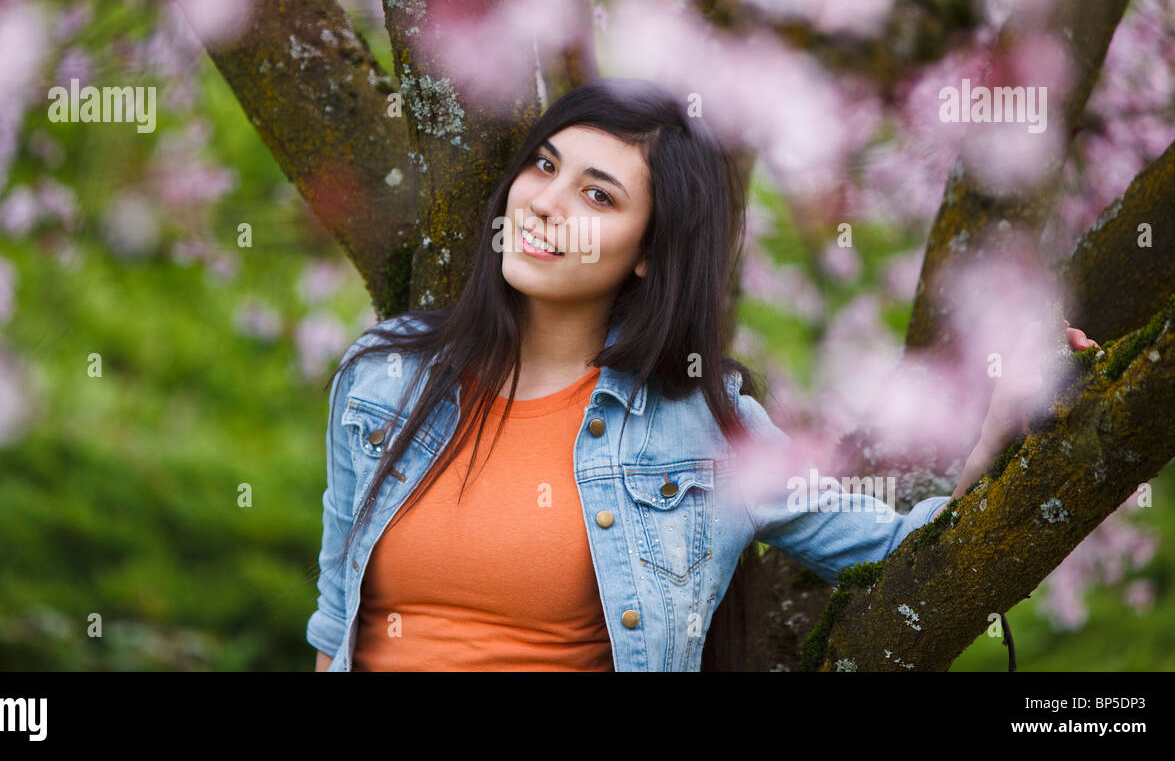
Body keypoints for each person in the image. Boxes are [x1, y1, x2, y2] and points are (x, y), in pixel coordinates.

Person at [307, 77, 1098, 671]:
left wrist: (1000, 424)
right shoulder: (385, 376)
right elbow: (334, 619)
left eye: (597, 194)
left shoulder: (704, 429)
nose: (544, 203)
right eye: (543, 165)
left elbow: (899, 557)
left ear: (650, 252)